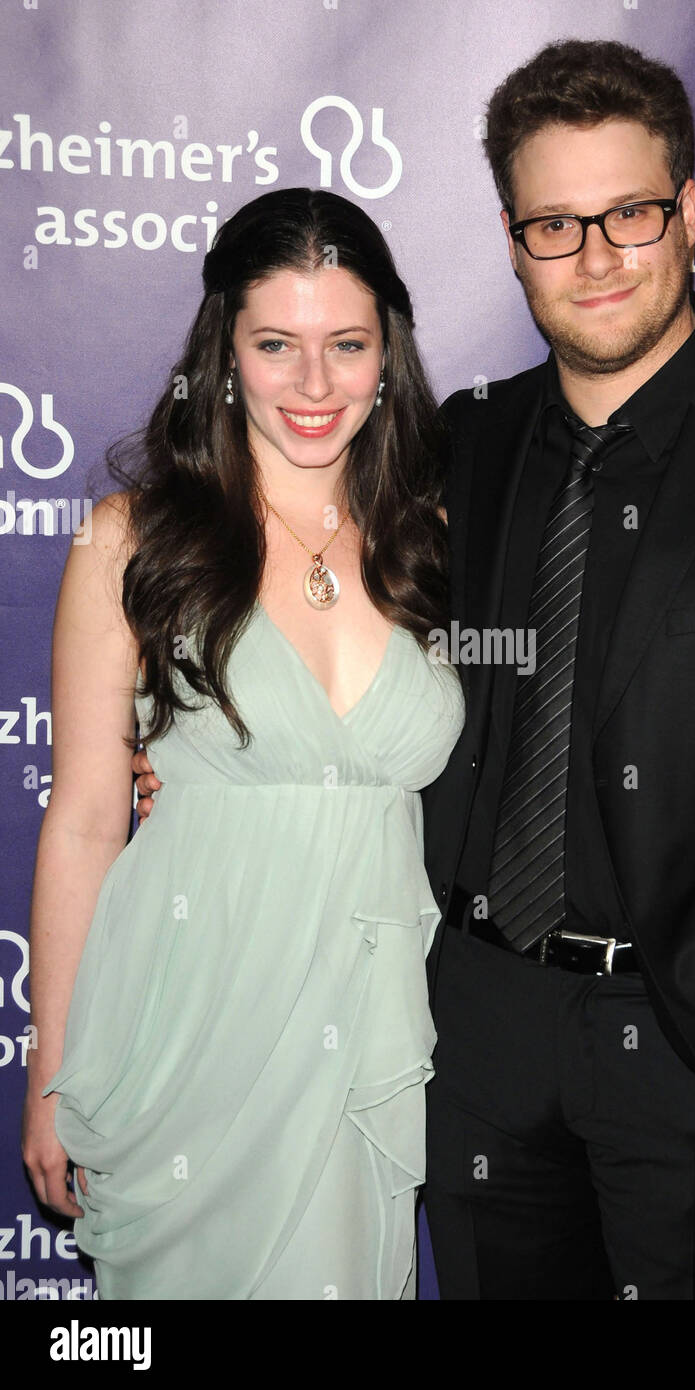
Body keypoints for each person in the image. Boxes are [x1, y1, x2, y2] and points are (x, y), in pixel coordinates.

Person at [136, 41, 695, 1300]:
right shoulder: (465, 444)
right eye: (556, 224)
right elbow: (307, 602)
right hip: (475, 1042)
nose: (599, 256)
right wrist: (180, 760)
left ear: (690, 212)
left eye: (630, 212)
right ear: (513, 242)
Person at [21, 187, 464, 1300]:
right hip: (190, 1020)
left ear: (387, 353)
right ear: (224, 352)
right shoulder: (132, 539)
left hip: (363, 1034)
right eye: (277, 345)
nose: (315, 386)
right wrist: (50, 1068)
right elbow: (82, 819)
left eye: (346, 346)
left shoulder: (435, 536)